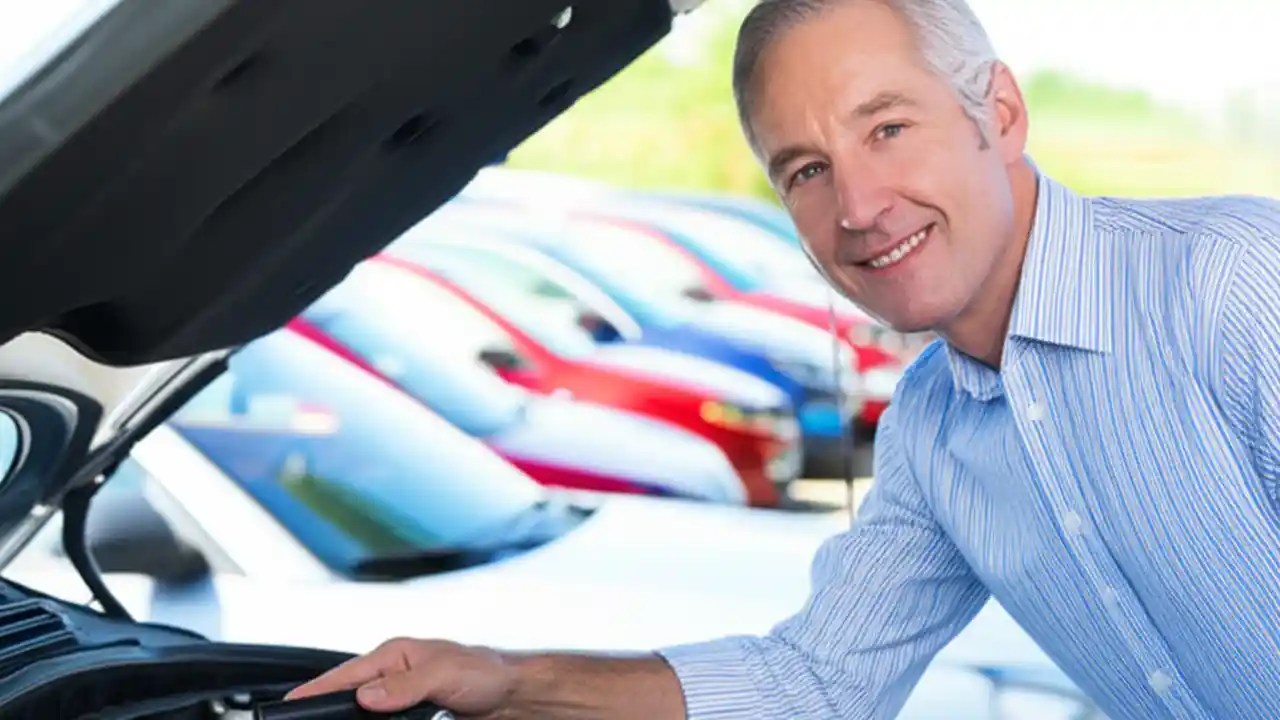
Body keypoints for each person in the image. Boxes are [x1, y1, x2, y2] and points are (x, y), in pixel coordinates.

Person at [286, 0, 1280, 717]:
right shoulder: (931, 433)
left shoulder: (1232, 286)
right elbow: (813, 680)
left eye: (885, 128)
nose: (856, 206)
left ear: (1000, 113)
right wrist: (506, 678)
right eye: (804, 170)